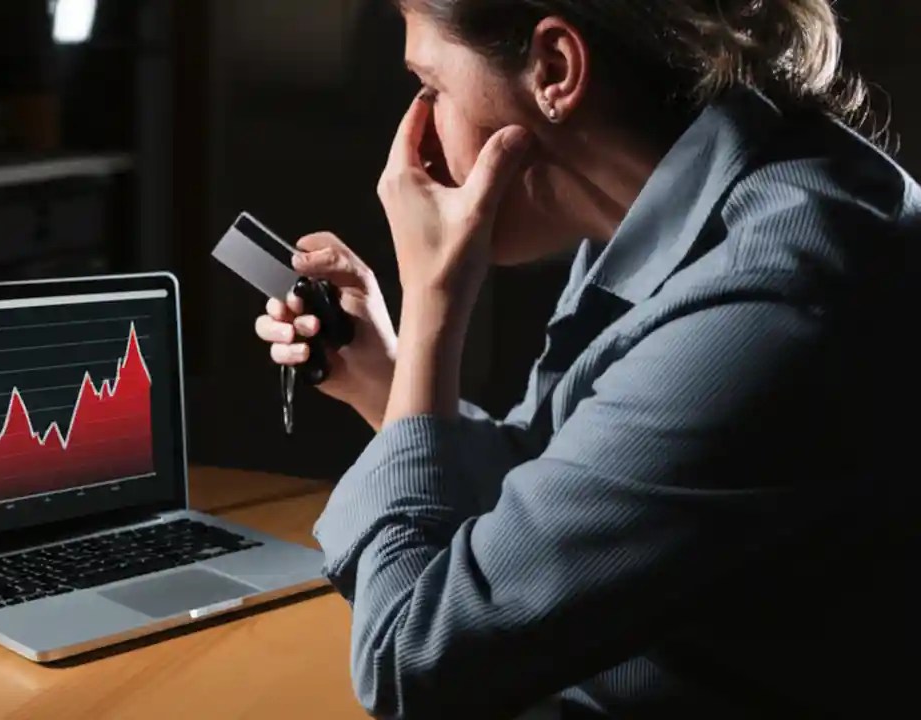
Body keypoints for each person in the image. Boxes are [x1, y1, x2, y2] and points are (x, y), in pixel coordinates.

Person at [252, 1, 917, 717]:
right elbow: (563, 497)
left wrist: (430, 311)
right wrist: (389, 380)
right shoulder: (690, 197)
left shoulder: (769, 300)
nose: (416, 156)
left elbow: (411, 661)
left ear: (556, 70)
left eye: (432, 87)